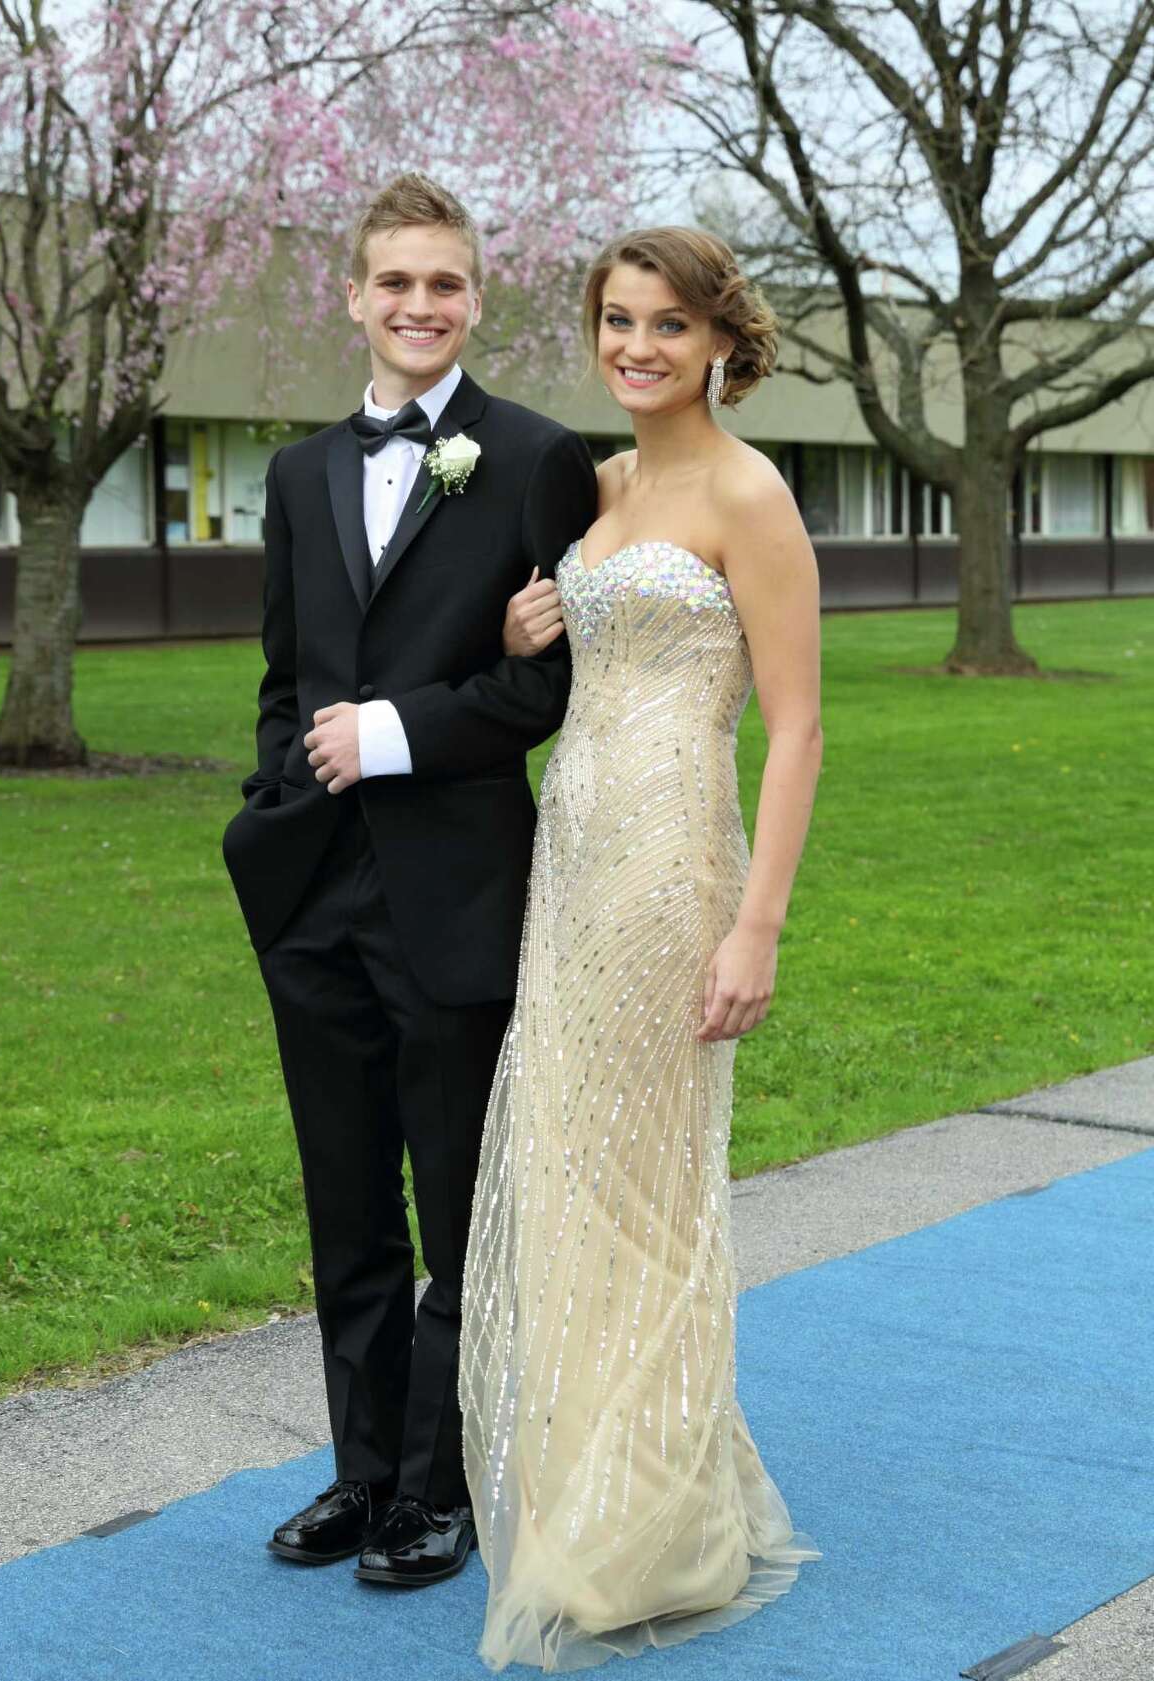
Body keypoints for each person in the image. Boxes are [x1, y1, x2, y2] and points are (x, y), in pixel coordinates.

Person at [221, 173, 596, 1587]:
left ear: (477, 297)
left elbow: (552, 680)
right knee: (344, 1202)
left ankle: (445, 1488)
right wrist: (275, 806)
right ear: (356, 295)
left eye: (445, 284)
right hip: (312, 890)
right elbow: (284, 675)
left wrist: (397, 732)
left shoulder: (539, 458)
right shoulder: (302, 473)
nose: (419, 306)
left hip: (455, 891)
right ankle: (362, 1472)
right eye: (396, 283)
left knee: (455, 1200)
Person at [460, 227, 824, 1671]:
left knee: (652, 1177)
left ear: (720, 339)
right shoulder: (598, 490)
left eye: (669, 324)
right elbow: (586, 669)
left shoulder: (752, 494)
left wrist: (757, 923)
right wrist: (523, 622)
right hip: (573, 857)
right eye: (618, 321)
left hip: (677, 874)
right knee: (571, 1169)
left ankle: (654, 1528)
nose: (639, 348)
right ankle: (594, 1495)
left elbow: (797, 723)